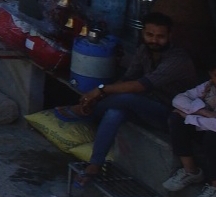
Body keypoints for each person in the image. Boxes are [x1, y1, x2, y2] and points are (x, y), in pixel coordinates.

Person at [65, 12, 196, 187]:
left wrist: (99, 91)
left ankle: (86, 112)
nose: (154, 40)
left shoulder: (177, 60)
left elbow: (140, 86)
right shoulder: (144, 50)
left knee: (126, 98)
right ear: (143, 33)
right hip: (144, 105)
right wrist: (101, 94)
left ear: (170, 36)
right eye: (150, 35)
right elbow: (127, 79)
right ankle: (94, 165)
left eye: (160, 37)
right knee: (114, 112)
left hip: (170, 115)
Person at [163, 58, 216, 197]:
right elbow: (179, 99)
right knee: (176, 119)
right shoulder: (208, 87)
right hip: (205, 124)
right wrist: (202, 111)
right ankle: (190, 171)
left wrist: (190, 117)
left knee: (213, 137)